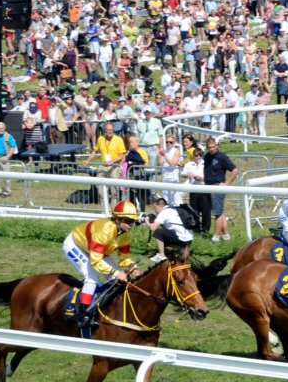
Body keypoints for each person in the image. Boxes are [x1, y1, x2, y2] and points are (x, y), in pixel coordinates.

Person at [62, 199, 141, 333]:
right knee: (92, 277)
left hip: (97, 251)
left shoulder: (126, 234)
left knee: (116, 280)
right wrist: (116, 273)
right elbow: (96, 261)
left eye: (132, 221)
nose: (130, 225)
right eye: (127, 221)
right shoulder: (104, 230)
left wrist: (132, 266)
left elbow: (124, 258)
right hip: (76, 245)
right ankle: (82, 314)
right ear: (116, 219)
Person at [202, 137, 238, 242]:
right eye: (209, 147)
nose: (212, 149)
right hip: (208, 186)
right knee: (220, 212)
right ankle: (226, 235)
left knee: (217, 213)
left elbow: (235, 170)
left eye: (213, 147)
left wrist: (227, 183)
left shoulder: (222, 157)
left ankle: (216, 237)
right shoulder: (206, 157)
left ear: (216, 146)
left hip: (217, 186)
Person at [147, 196, 194, 262]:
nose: (155, 210)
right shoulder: (174, 210)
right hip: (188, 239)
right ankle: (181, 250)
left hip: (180, 238)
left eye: (155, 208)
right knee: (164, 234)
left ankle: (161, 256)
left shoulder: (164, 212)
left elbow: (153, 228)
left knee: (158, 232)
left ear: (160, 205)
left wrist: (146, 220)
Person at [183, 147, 210, 233]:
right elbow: (182, 174)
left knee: (206, 211)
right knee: (194, 211)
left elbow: (210, 175)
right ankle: (196, 229)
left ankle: (205, 230)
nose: (198, 157)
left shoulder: (206, 164)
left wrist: (202, 178)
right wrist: (188, 174)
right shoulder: (189, 164)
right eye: (196, 155)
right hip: (194, 190)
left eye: (200, 155)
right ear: (193, 156)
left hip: (204, 189)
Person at [0, 121, 18, 197]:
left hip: (4, 158)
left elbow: (13, 147)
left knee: (6, 176)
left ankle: (7, 192)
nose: (1, 130)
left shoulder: (9, 136)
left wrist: (7, 156)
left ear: (5, 128)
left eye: (2, 128)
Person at [156, 133, 184, 206]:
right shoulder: (164, 151)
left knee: (176, 199)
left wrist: (164, 155)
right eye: (167, 142)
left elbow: (172, 164)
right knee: (166, 199)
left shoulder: (176, 151)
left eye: (170, 142)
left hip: (173, 178)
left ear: (174, 143)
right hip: (165, 177)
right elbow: (160, 163)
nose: (168, 143)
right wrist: (159, 155)